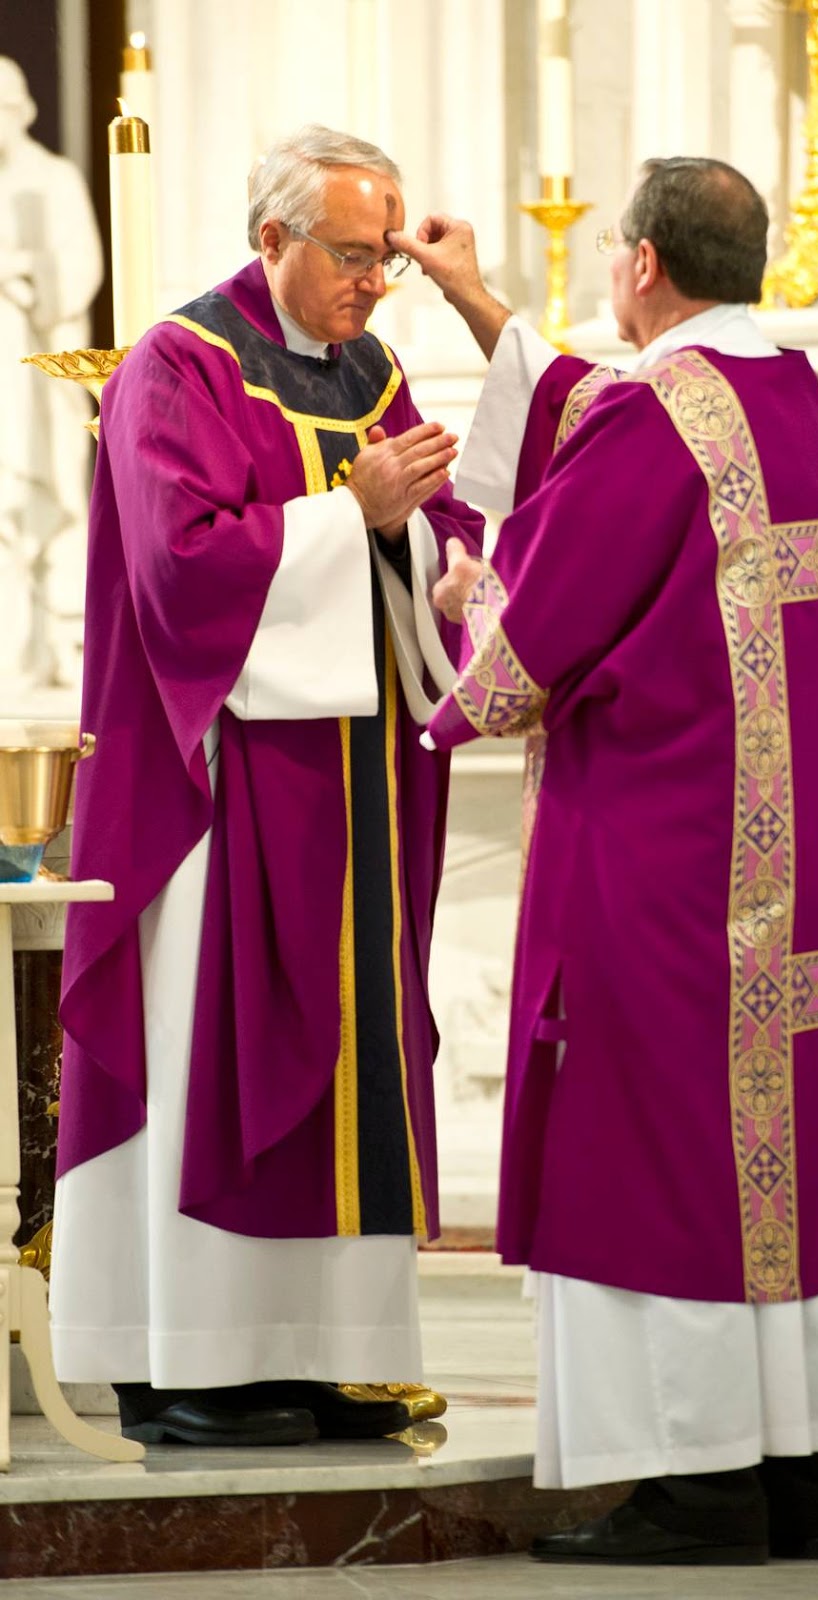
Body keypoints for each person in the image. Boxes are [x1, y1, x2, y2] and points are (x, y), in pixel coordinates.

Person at [388, 156, 818, 1563]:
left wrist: (469, 627)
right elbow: (589, 426)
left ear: (642, 264)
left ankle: (690, 1477)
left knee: (640, 1146)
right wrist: (479, 303)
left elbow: (548, 623)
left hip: (654, 856)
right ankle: (786, 1470)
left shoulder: (661, 417)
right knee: (756, 1157)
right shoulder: (783, 399)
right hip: (772, 867)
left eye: (610, 252)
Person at [49, 124, 483, 1448]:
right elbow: (179, 571)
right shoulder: (174, 370)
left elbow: (429, 530)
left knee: (354, 1058)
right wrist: (348, 514)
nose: (369, 283)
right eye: (350, 256)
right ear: (271, 242)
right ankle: (187, 1357)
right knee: (210, 1053)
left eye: (383, 258)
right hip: (223, 786)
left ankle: (324, 1356)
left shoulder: (375, 372)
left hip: (356, 791)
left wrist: (442, 571)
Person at [0, 55, 103, 688]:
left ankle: (57, 642)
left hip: (37, 370)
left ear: (21, 111)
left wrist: (25, 273)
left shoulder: (55, 178)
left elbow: (81, 268)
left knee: (50, 502)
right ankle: (12, 646)